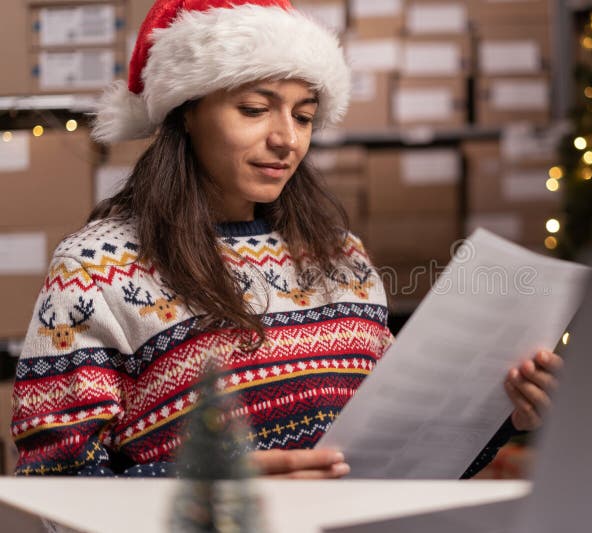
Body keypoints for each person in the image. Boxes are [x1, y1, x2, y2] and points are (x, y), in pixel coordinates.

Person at [10, 0, 562, 478]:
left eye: (304, 116)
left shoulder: (338, 254)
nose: (285, 139)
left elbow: (395, 455)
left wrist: (500, 416)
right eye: (254, 109)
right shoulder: (96, 269)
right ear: (186, 114)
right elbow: (54, 481)